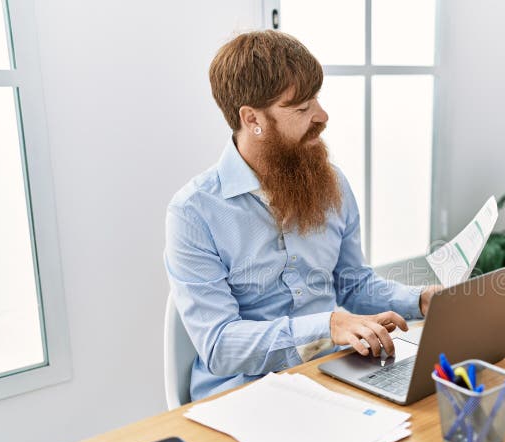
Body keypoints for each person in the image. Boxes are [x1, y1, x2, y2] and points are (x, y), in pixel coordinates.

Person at [165, 30, 438, 400]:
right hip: (244, 394)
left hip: (330, 375)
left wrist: (422, 300)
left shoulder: (332, 183)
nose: (322, 116)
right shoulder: (194, 213)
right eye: (301, 108)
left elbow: (353, 284)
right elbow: (219, 344)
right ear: (252, 119)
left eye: (317, 100)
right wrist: (327, 326)